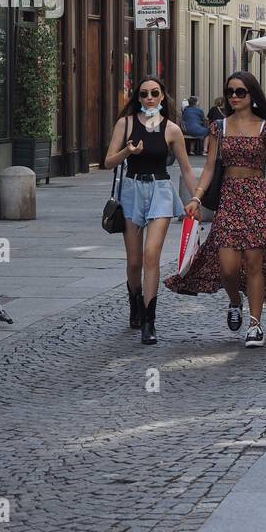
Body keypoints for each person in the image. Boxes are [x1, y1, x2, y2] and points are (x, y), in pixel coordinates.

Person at [172, 71, 266, 347]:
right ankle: (234, 301)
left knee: (255, 263)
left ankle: (255, 325)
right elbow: (208, 168)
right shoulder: (220, 127)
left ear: (252, 95)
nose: (234, 96)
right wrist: (196, 198)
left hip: (257, 198)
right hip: (229, 198)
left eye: (240, 92)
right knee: (227, 267)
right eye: (230, 92)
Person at [104, 77, 200, 345]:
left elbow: (187, 168)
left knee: (150, 256)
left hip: (160, 191)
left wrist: (196, 199)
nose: (149, 97)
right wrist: (127, 150)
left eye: (154, 93)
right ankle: (134, 302)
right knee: (134, 262)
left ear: (162, 96)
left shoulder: (171, 129)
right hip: (132, 192)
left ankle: (149, 320)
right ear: (138, 97)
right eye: (143, 93)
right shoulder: (126, 124)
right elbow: (108, 162)